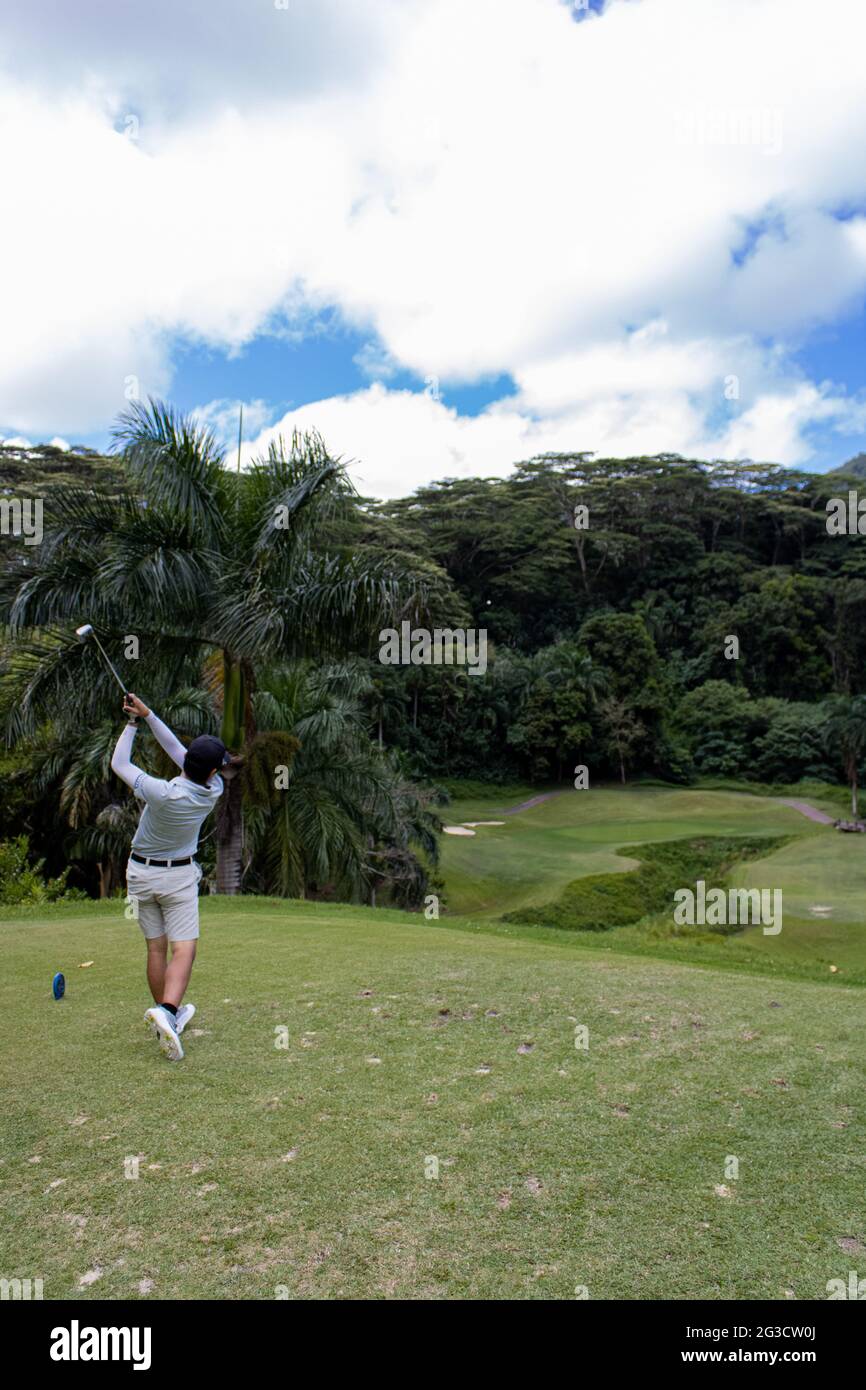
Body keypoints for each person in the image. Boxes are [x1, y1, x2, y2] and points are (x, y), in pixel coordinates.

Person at [110, 693, 229, 1061]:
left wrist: (135, 722)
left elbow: (120, 763)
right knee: (184, 948)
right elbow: (176, 750)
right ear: (212, 771)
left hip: (140, 873)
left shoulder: (160, 792)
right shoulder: (213, 790)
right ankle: (168, 1013)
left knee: (155, 947)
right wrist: (148, 714)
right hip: (177, 877)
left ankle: (166, 1013)